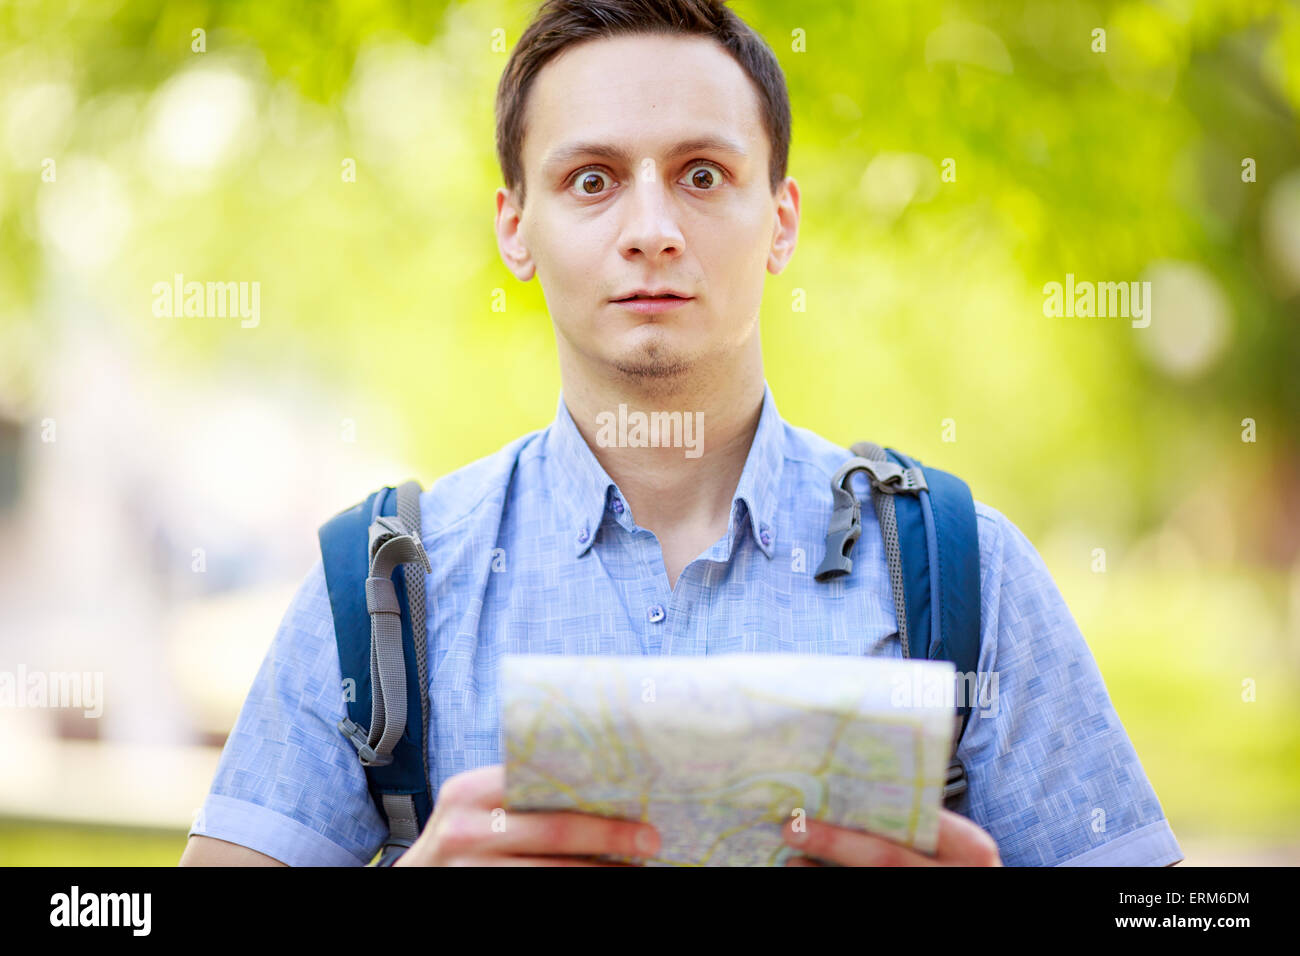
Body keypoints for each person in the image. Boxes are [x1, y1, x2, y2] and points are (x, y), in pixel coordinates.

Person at [180, 0, 1182, 867]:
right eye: (591, 179)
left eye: (702, 175)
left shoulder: (964, 567)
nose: (652, 226)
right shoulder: (382, 586)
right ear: (514, 226)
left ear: (781, 219)